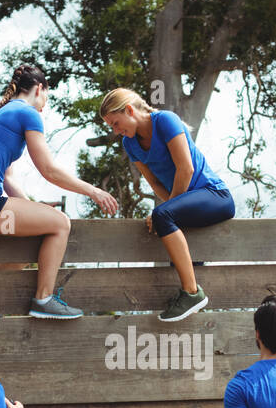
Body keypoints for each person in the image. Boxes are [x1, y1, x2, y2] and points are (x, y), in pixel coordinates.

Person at [0, 64, 119, 320]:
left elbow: (7, 178)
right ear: (39, 89)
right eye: (46, 97)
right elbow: (48, 169)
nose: (44, 106)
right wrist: (93, 191)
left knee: (32, 238)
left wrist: (34, 212)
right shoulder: (28, 113)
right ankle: (44, 299)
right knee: (61, 223)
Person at [99, 89, 235, 322]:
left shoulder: (165, 120)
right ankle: (193, 303)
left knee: (162, 216)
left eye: (116, 123)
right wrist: (170, 210)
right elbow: (154, 183)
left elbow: (186, 169)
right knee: (177, 249)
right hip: (185, 205)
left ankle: (192, 293)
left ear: (130, 110)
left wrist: (167, 210)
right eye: (111, 127)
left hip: (214, 195)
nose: (115, 130)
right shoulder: (129, 144)